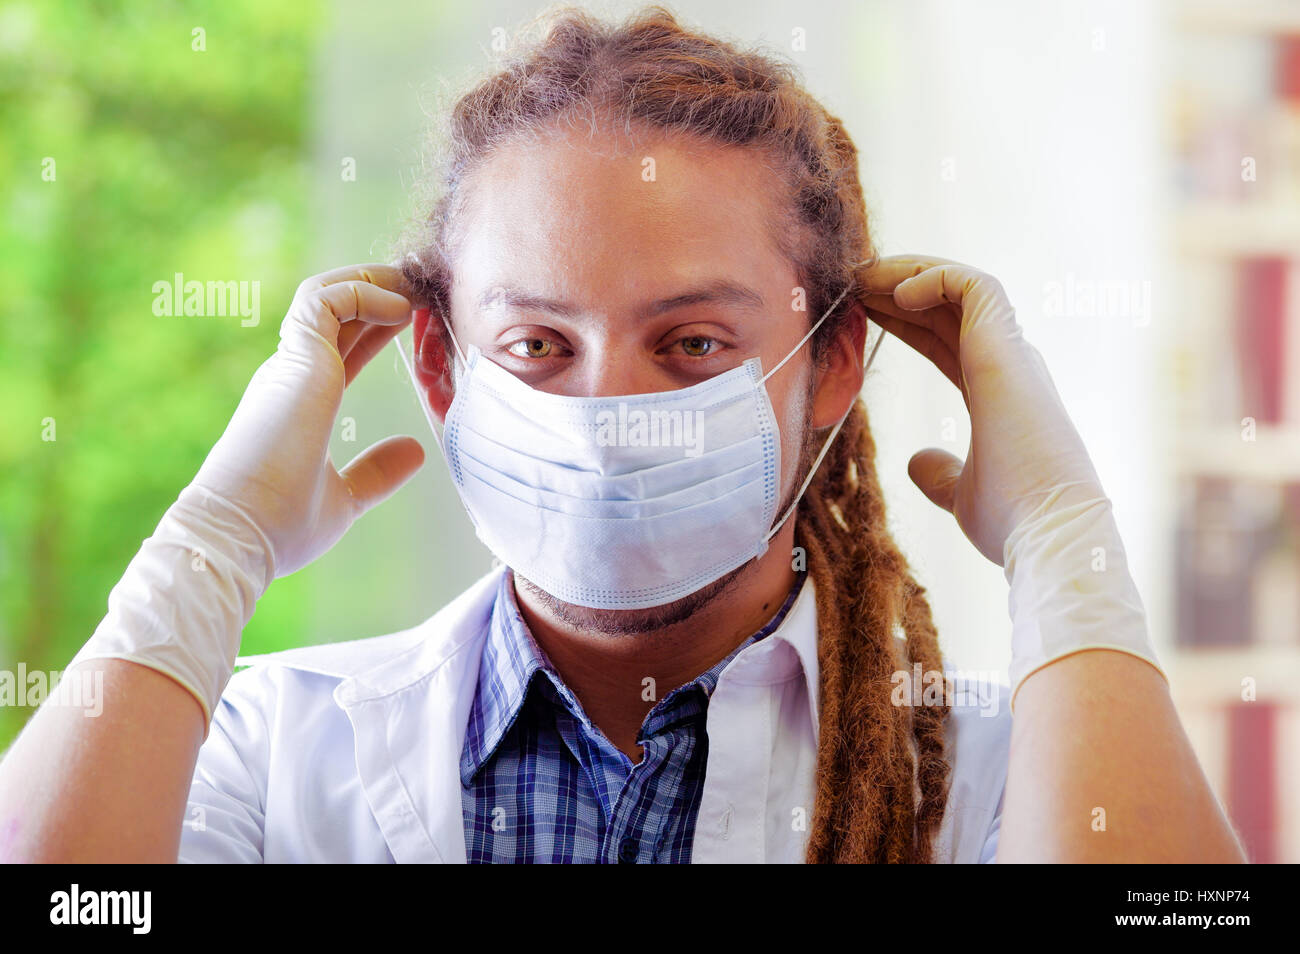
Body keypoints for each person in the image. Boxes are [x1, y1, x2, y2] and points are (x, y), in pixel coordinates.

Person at [0, 5, 1244, 863]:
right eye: (537, 346)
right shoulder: (267, 749)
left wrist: (1063, 550)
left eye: (693, 344)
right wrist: (206, 551)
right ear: (438, 367)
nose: (605, 418)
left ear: (830, 369)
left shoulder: (1007, 778)